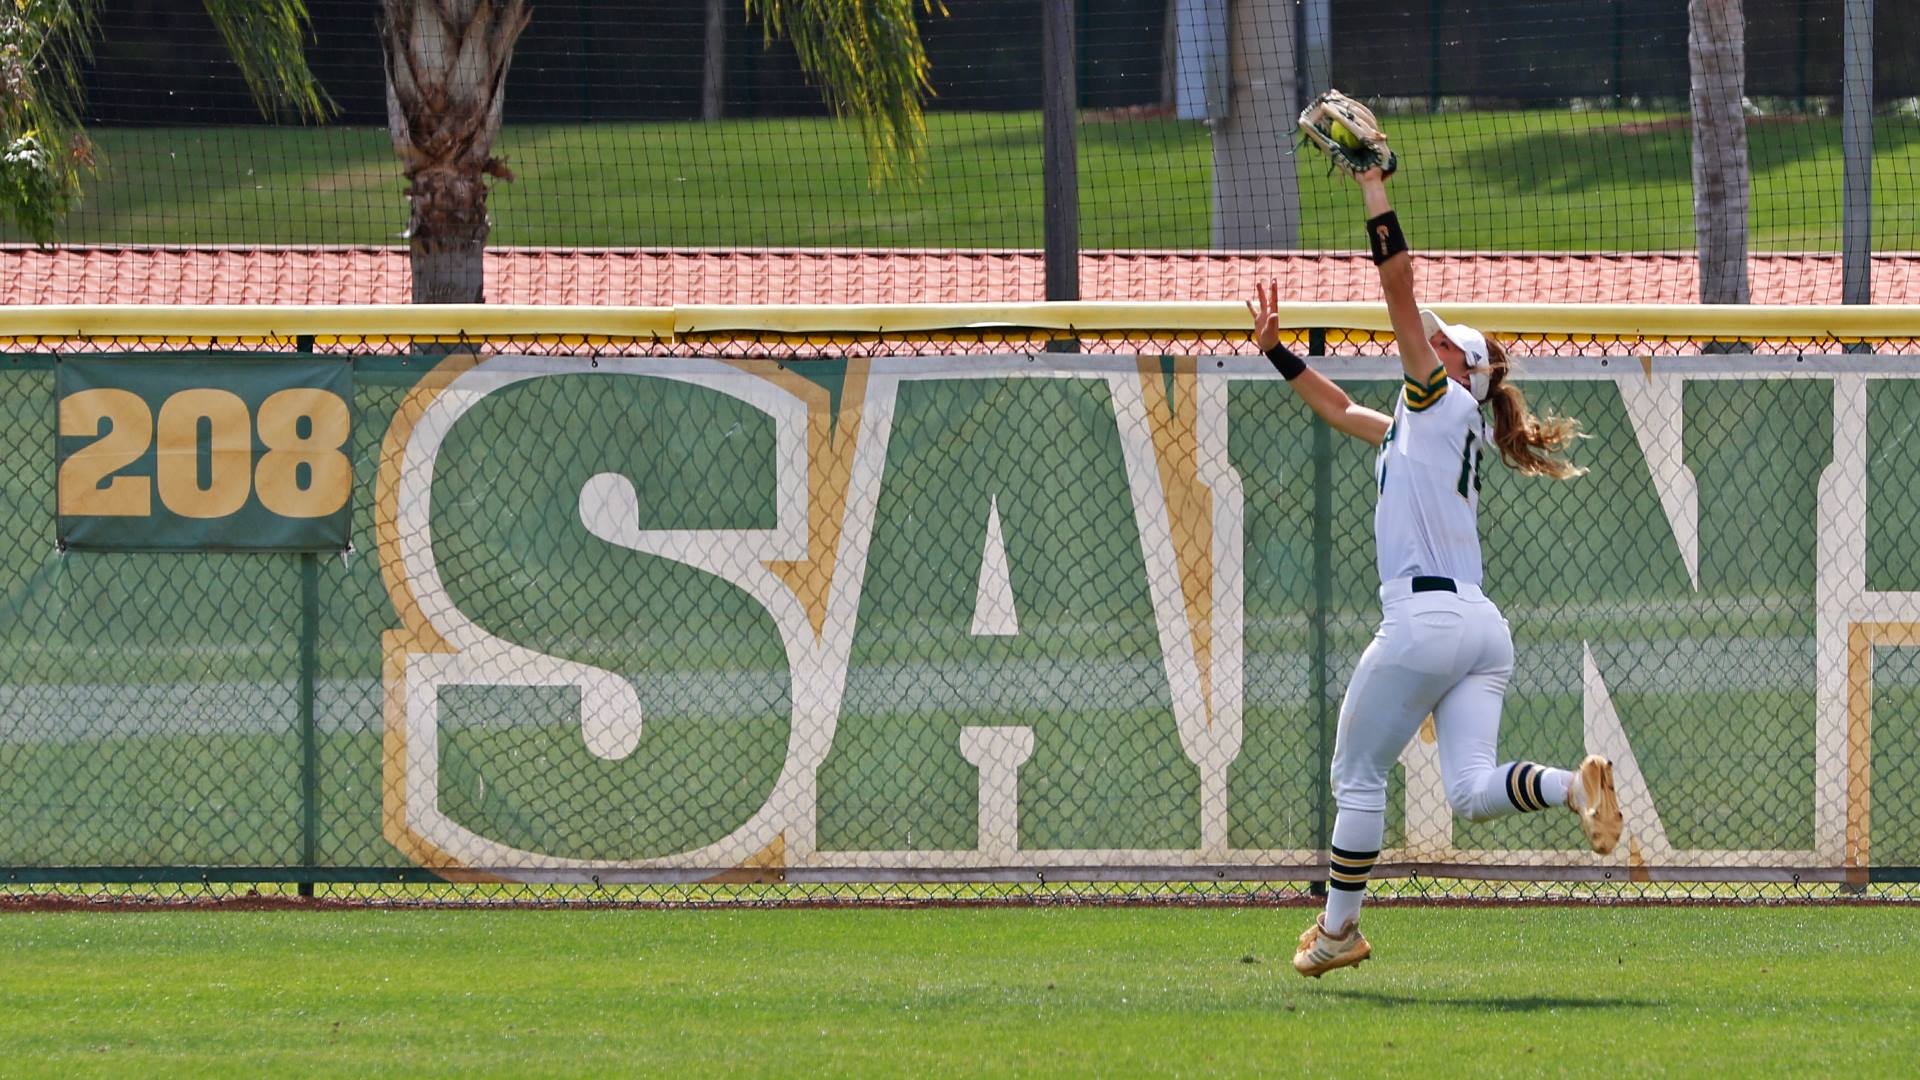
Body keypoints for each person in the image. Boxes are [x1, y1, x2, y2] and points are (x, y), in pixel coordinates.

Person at [1246, 164, 1623, 979]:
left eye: (1447, 344)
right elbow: (1344, 409)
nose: (1430, 340)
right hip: (1481, 631)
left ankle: (1339, 931)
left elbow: (1399, 288)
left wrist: (1373, 187)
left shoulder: (1439, 399)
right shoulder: (1429, 427)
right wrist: (1279, 356)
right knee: (1469, 791)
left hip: (1423, 624)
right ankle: (1570, 786)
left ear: (1462, 372)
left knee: (1357, 774)